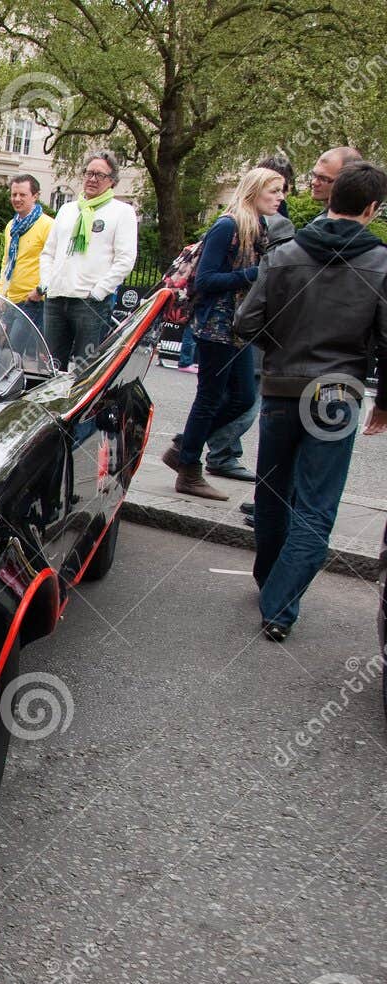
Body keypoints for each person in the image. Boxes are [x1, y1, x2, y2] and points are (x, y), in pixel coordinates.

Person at [234, 161, 387, 640]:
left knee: (272, 492)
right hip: (338, 393)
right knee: (317, 506)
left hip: (282, 385)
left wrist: (280, 350)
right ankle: (279, 604)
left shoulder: (286, 253)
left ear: (330, 197)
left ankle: (270, 582)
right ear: (371, 208)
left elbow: (246, 322)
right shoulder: (381, 262)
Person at [162, 166, 284, 500]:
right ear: (254, 191)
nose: (280, 197)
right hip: (215, 326)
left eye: (281, 191)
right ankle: (188, 470)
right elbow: (206, 280)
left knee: (243, 397)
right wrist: (252, 273)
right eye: (274, 191)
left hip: (240, 328)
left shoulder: (257, 228)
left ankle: (185, 446)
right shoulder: (228, 226)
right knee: (210, 397)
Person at [39, 150, 137, 371]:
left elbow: (125, 259)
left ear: (112, 181)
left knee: (86, 370)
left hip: (90, 303)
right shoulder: (67, 209)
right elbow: (48, 252)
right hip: (56, 298)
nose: (92, 179)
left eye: (100, 175)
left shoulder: (122, 212)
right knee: (51, 369)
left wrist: (98, 292)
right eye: (89, 173)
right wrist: (47, 282)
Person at [0, 173, 53, 336]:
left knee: (15, 351)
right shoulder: (11, 226)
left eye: (22, 194)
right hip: (11, 300)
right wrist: (1, 293)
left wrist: (39, 292)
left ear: (35, 196)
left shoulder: (48, 225)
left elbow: (55, 262)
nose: (17, 199)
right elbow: (7, 261)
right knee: (4, 354)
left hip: (32, 300)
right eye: (14, 194)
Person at [307, 146, 363, 219]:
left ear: (347, 182)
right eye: (314, 175)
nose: (314, 182)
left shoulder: (330, 225)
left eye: (324, 179)